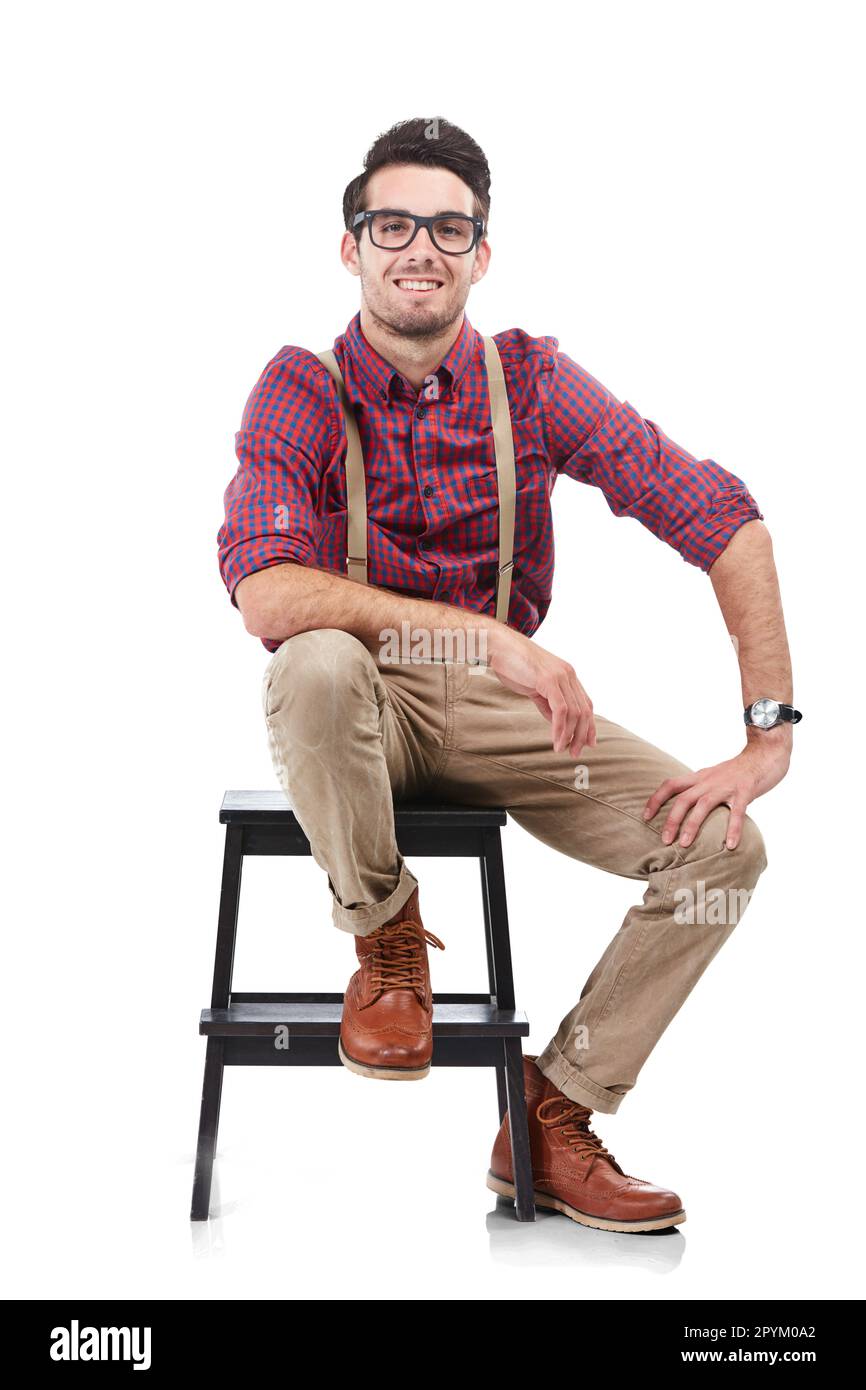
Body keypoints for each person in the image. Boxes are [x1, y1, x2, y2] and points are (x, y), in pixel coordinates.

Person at [216, 117, 799, 1234]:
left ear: (481, 254)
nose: (419, 248)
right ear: (350, 246)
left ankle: (551, 1110)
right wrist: (479, 637)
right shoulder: (300, 388)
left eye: (449, 228)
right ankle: (386, 938)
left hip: (501, 722)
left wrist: (766, 737)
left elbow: (724, 521)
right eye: (392, 224)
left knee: (724, 855)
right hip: (362, 708)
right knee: (317, 664)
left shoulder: (527, 380)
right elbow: (267, 596)